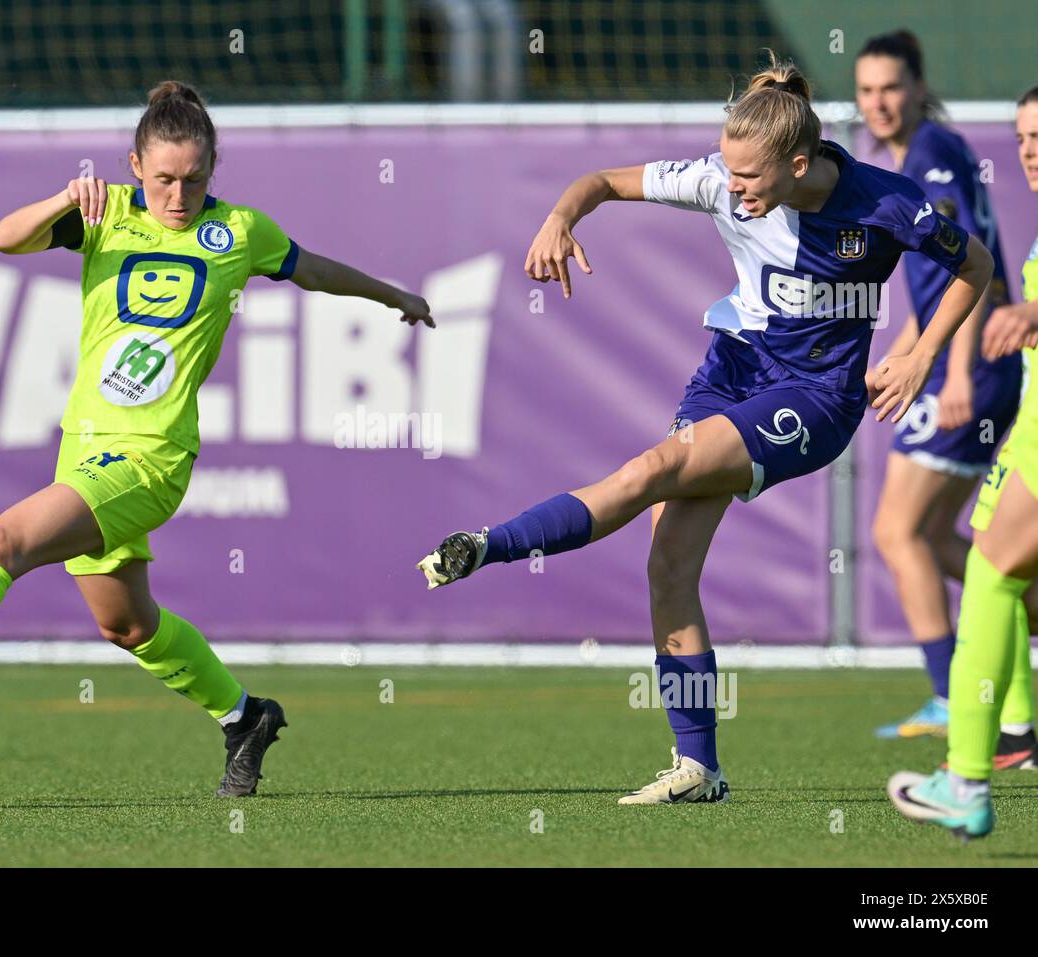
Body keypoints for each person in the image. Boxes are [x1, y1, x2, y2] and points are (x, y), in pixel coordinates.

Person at [416, 53, 995, 805]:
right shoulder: (719, 178)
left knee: (648, 470)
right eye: (726, 170)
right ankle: (699, 768)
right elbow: (598, 184)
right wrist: (559, 218)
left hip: (814, 400)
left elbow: (973, 264)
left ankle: (489, 544)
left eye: (748, 177)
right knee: (667, 566)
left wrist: (920, 353)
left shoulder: (884, 201)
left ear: (797, 163)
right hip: (729, 372)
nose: (732, 187)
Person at [0, 80, 434, 798]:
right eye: (163, 180)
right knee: (127, 625)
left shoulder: (240, 232)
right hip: (82, 452)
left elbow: (315, 271)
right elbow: (3, 238)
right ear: (133, 167)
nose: (177, 196)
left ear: (213, 171)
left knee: (2, 544)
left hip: (152, 459)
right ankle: (244, 716)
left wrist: (393, 293)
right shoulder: (105, 213)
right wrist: (65, 200)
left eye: (194, 179)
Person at [855, 31, 1033, 755]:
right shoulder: (926, 152)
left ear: (918, 86)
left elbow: (974, 275)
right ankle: (993, 701)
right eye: (866, 91)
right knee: (946, 542)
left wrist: (953, 371)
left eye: (891, 88)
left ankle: (950, 693)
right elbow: (935, 292)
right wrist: (898, 355)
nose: (879, 103)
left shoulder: (930, 154)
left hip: (977, 363)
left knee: (898, 533)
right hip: (971, 356)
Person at [889, 87, 1038, 840]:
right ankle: (992, 752)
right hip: (1031, 436)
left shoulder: (933, 161)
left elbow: (967, 262)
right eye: (1023, 138)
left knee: (983, 567)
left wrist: (1031, 315)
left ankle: (972, 775)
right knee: (991, 569)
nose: (1031, 150)